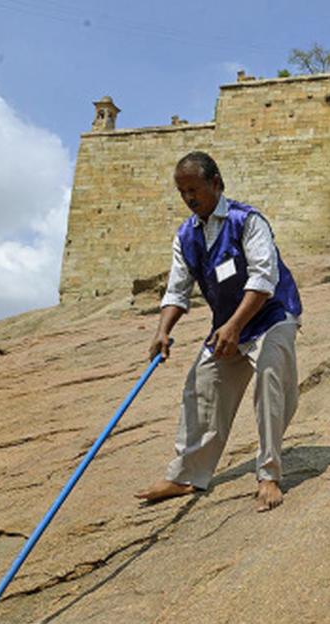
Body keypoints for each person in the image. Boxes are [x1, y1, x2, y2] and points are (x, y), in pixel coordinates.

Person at [135, 151, 303, 512]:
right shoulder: (186, 235)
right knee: (201, 385)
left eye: (194, 189)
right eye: (182, 192)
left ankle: (269, 474)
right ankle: (185, 476)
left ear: (216, 183)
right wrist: (162, 331)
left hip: (272, 316)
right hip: (228, 325)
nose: (189, 198)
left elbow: (263, 279)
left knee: (270, 381)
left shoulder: (248, 220)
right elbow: (177, 291)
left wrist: (236, 325)